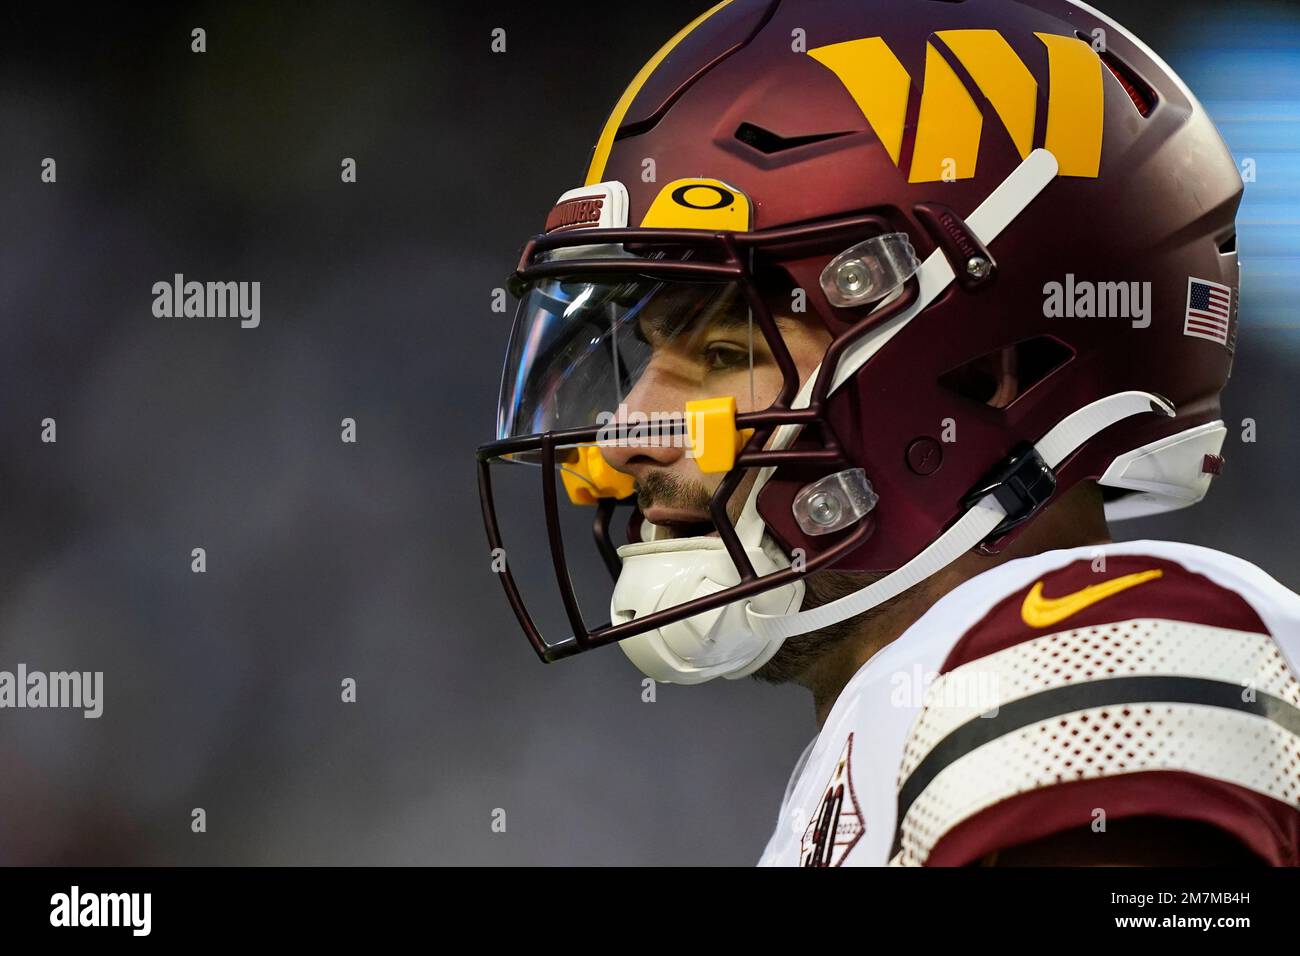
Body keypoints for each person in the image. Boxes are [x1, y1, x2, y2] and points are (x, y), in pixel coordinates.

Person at [476, 0, 1300, 865]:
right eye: (644, 356)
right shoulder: (910, 726)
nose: (624, 435)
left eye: (724, 349)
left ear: (983, 376)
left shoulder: (1087, 659)